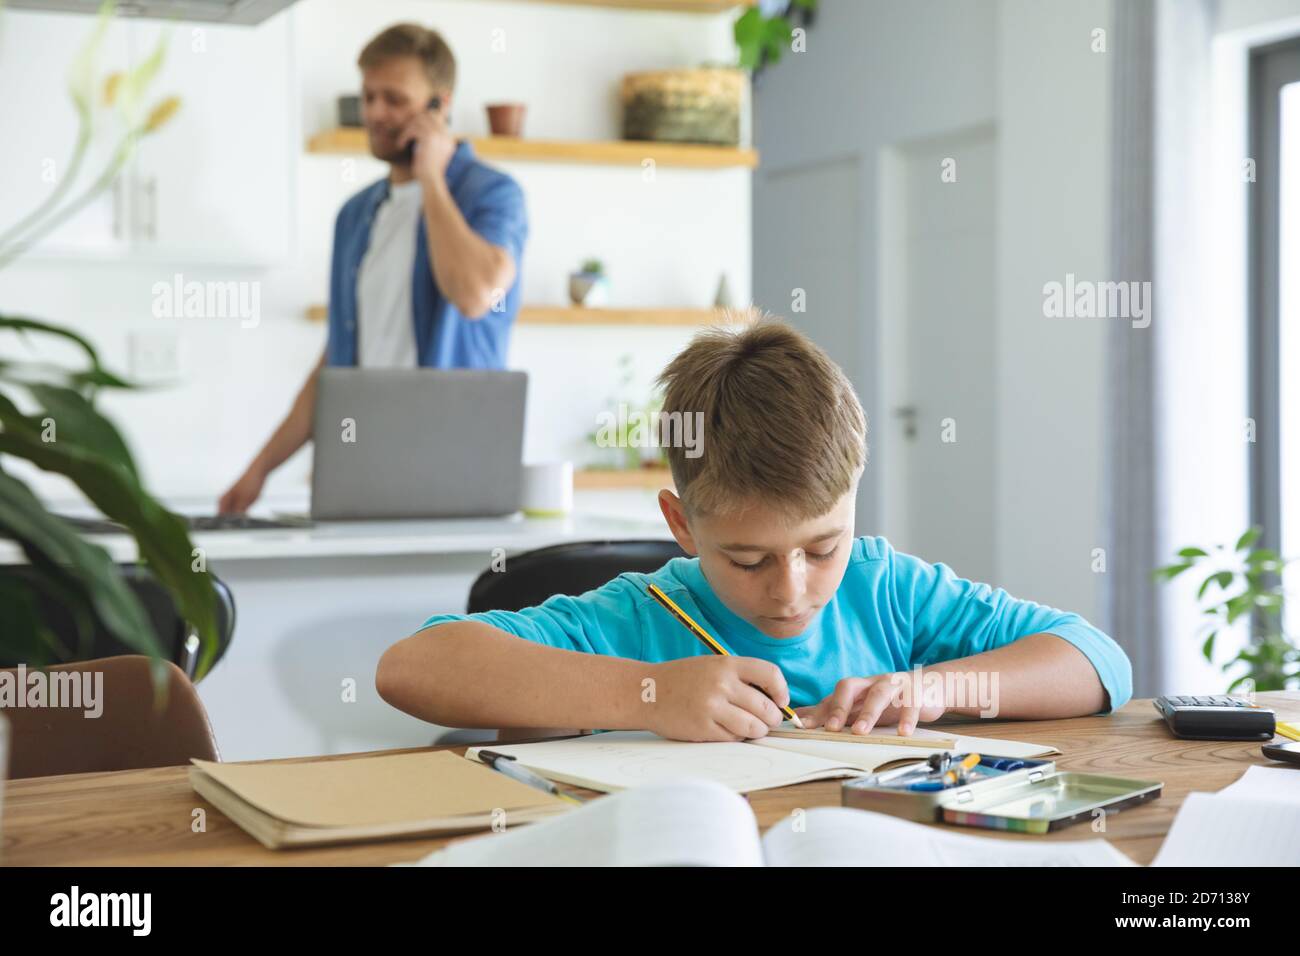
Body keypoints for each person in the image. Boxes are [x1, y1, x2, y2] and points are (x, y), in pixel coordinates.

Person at [376, 309, 1132, 742]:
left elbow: (1098, 662)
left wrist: (938, 688)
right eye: (747, 559)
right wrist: (647, 693)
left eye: (822, 547)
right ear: (682, 524)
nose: (792, 591)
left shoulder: (886, 590)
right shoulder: (641, 617)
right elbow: (411, 668)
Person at [219, 23, 527, 514]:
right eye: (367, 97)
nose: (375, 113)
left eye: (394, 99)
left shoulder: (490, 194)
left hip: (452, 468)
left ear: (439, 106)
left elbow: (474, 293)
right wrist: (259, 471)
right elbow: (335, 366)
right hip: (359, 464)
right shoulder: (356, 215)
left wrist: (430, 175)